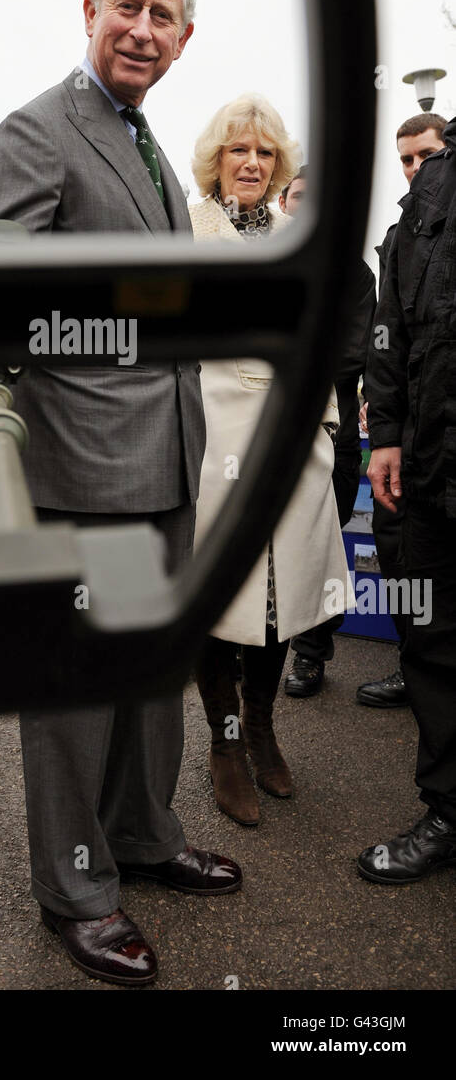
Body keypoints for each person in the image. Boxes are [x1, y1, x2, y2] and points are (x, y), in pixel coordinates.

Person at [0, 0, 241, 987]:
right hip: (80, 468)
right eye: (126, 7)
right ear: (88, 12)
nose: (142, 29)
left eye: (162, 16)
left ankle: (142, 834)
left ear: (182, 39)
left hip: (167, 458)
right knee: (77, 694)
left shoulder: (147, 144)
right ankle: (78, 890)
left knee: (148, 677)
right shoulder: (38, 130)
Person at [190, 95, 349, 826]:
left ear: (277, 164)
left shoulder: (300, 236)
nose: (250, 163)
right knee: (221, 597)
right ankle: (225, 744)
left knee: (281, 598)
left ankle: (261, 727)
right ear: (216, 161)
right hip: (214, 436)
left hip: (292, 438)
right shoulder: (185, 232)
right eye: (236, 151)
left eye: (262, 153)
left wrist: (325, 430)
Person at [358, 115, 456, 883]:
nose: (413, 166)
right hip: (428, 462)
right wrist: (384, 432)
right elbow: (387, 330)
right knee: (430, 636)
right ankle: (449, 810)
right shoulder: (420, 207)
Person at [355, 112, 446, 708]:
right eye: (406, 159)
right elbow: (385, 336)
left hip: (443, 435)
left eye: (427, 156)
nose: (415, 169)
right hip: (402, 439)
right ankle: (415, 671)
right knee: (400, 559)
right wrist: (381, 413)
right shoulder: (397, 236)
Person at [279, 169, 377, 697]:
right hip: (252, 429)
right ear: (283, 202)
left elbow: (353, 353)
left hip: (329, 427)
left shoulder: (356, 275)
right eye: (300, 197)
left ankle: (312, 653)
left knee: (321, 539)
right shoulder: (257, 263)